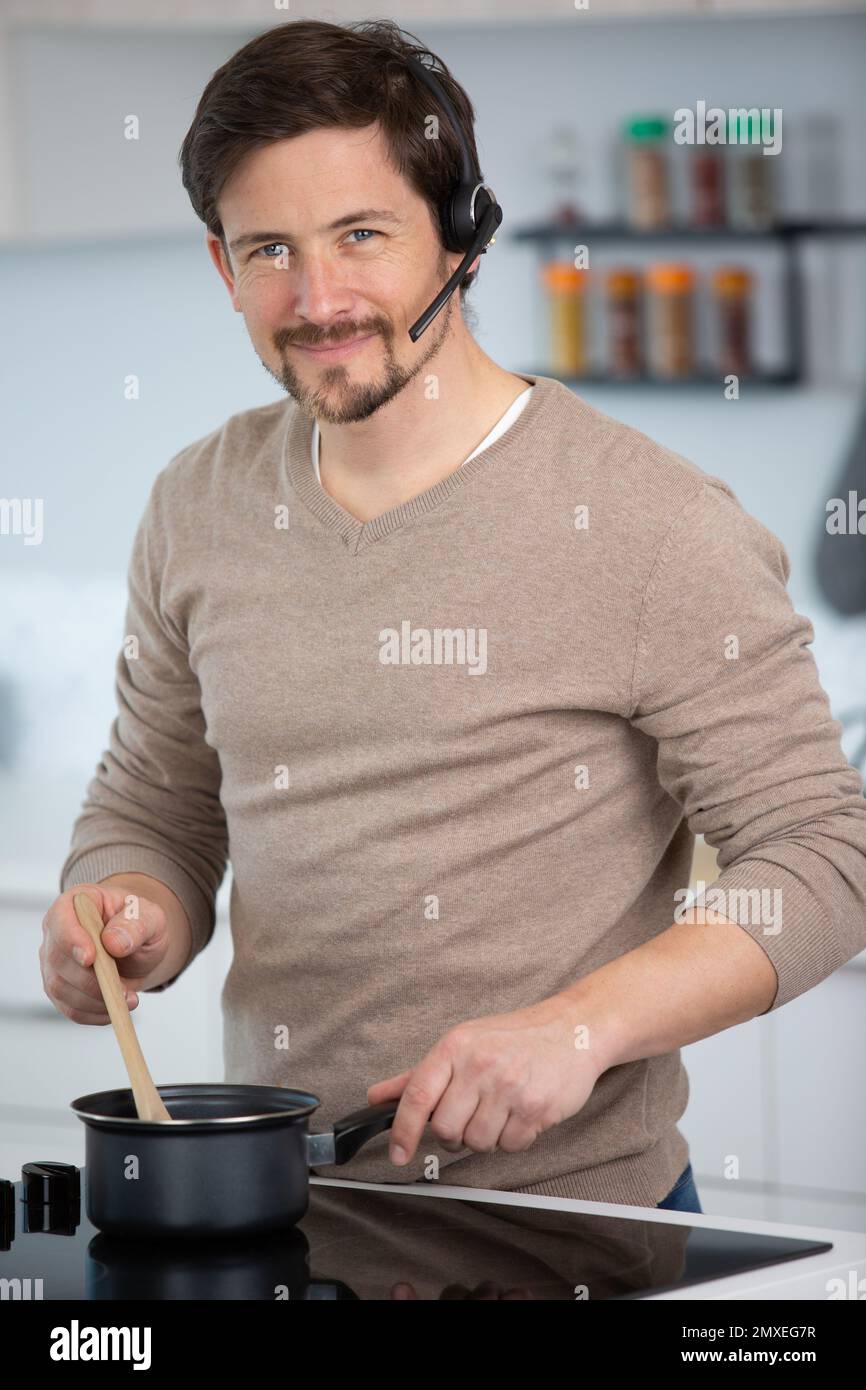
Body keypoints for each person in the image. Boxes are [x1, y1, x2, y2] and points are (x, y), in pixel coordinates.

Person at [41, 19, 866, 1216]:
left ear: (462, 240)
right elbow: (155, 799)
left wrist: (574, 1028)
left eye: (361, 236)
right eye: (269, 248)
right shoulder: (197, 502)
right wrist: (126, 905)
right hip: (282, 1209)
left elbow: (824, 857)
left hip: (570, 1222)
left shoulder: (651, 523)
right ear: (224, 270)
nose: (317, 299)